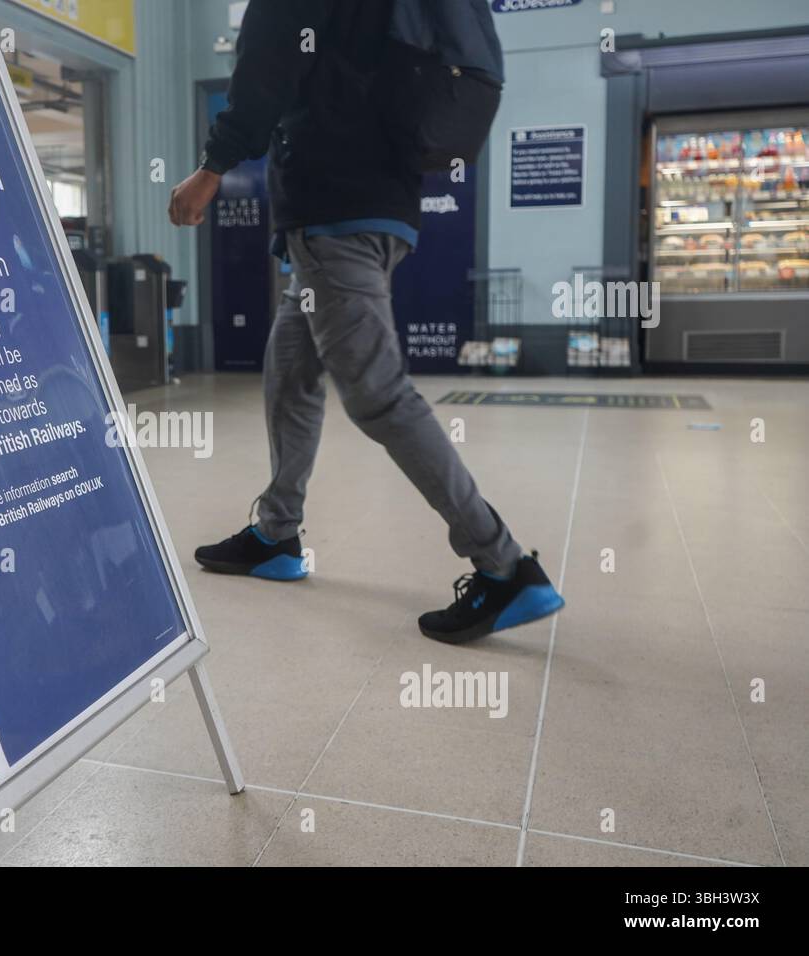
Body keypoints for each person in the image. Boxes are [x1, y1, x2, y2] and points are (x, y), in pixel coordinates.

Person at [168, 0, 564, 644]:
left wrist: (212, 167)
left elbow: (267, 64)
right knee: (290, 373)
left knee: (376, 392)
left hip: (336, 210)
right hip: (371, 204)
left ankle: (505, 566)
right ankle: (276, 533)